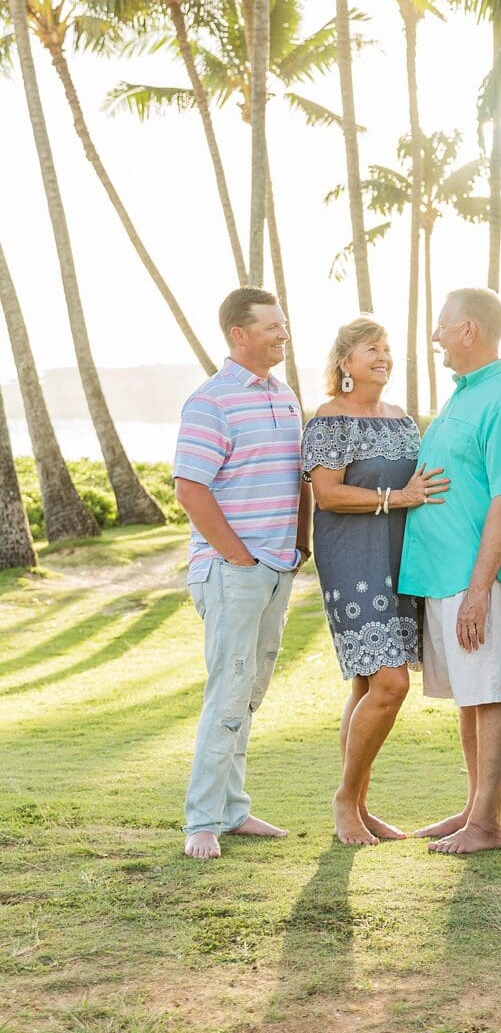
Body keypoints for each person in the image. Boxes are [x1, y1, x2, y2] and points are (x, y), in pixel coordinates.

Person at [173, 288, 310, 861]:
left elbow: (297, 477)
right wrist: (238, 557)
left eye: (284, 324)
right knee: (228, 692)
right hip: (234, 572)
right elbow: (190, 488)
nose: (283, 334)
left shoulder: (284, 396)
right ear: (238, 334)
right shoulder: (212, 401)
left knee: (248, 693)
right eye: (271, 327)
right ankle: (202, 821)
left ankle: (232, 809)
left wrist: (298, 544)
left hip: (276, 568)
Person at [399, 286, 501, 855]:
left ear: (468, 331)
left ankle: (487, 823)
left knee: (489, 691)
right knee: (469, 696)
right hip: (442, 575)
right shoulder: (463, 395)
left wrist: (481, 590)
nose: (436, 336)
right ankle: (472, 809)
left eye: (442, 326)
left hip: (472, 578)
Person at [301, 318, 449, 846]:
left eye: (387, 349)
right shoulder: (328, 419)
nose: (383, 357)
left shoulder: (403, 418)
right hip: (350, 559)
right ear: (345, 362)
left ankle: (359, 807)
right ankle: (344, 799)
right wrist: (397, 499)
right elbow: (329, 494)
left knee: (367, 683)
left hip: (400, 558)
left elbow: (422, 484)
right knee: (391, 682)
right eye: (371, 349)